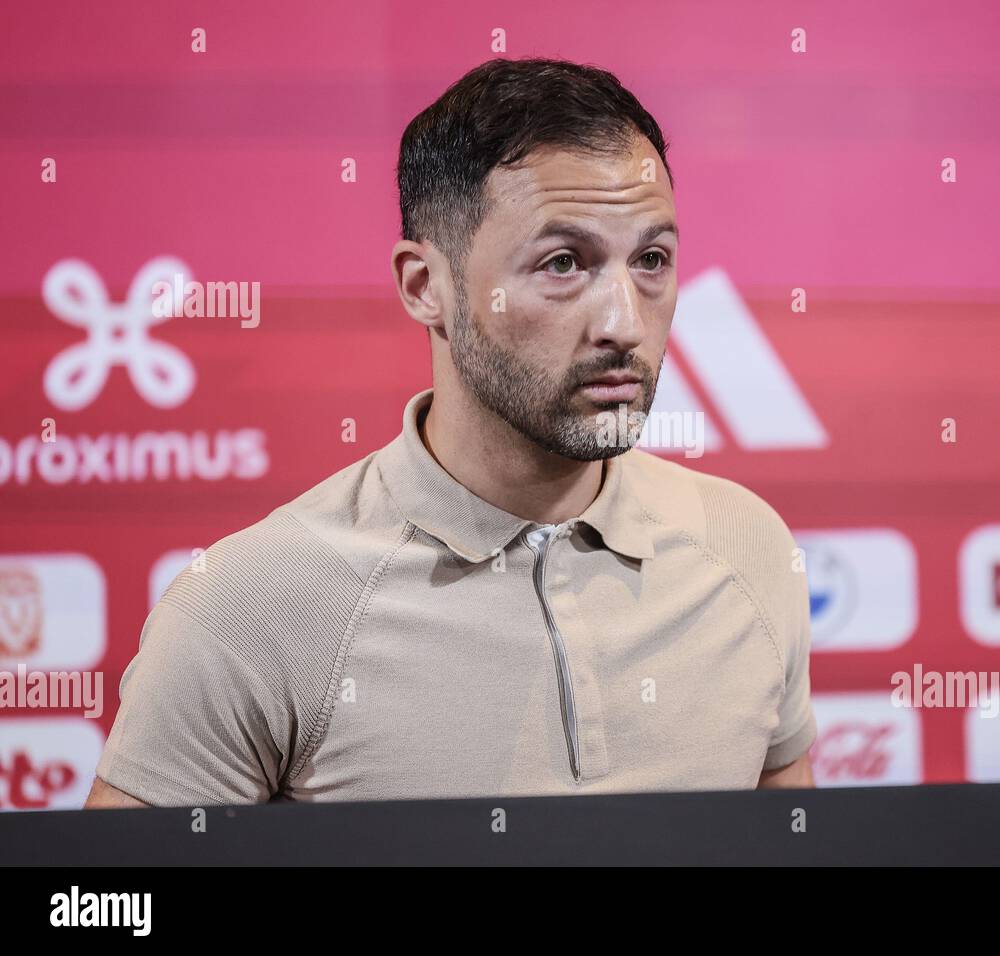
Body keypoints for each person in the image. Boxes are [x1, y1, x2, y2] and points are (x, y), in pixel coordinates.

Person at [86, 57, 816, 808]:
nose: (625, 324)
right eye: (565, 263)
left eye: (652, 260)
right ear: (424, 286)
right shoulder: (250, 609)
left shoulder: (747, 547)